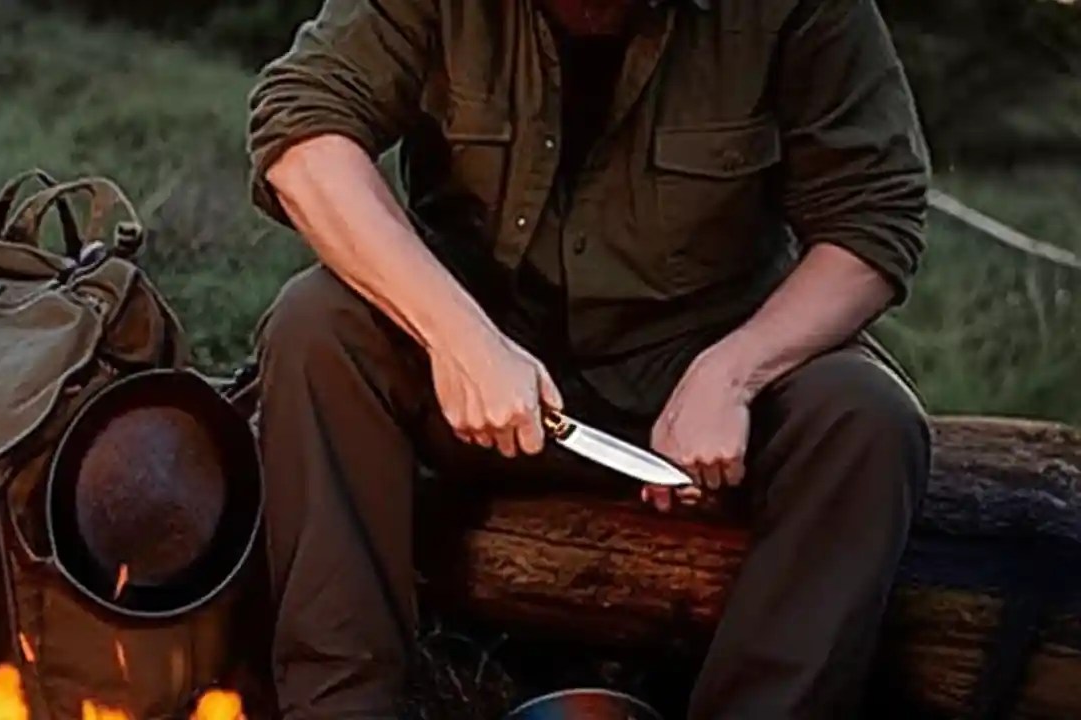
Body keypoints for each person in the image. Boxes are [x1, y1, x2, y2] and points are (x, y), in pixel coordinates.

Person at [244, 0, 932, 716]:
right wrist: (459, 337)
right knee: (316, 324)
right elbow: (302, 131)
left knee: (868, 418)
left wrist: (735, 372)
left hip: (705, 370)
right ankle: (343, 704)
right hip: (480, 359)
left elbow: (873, 216)